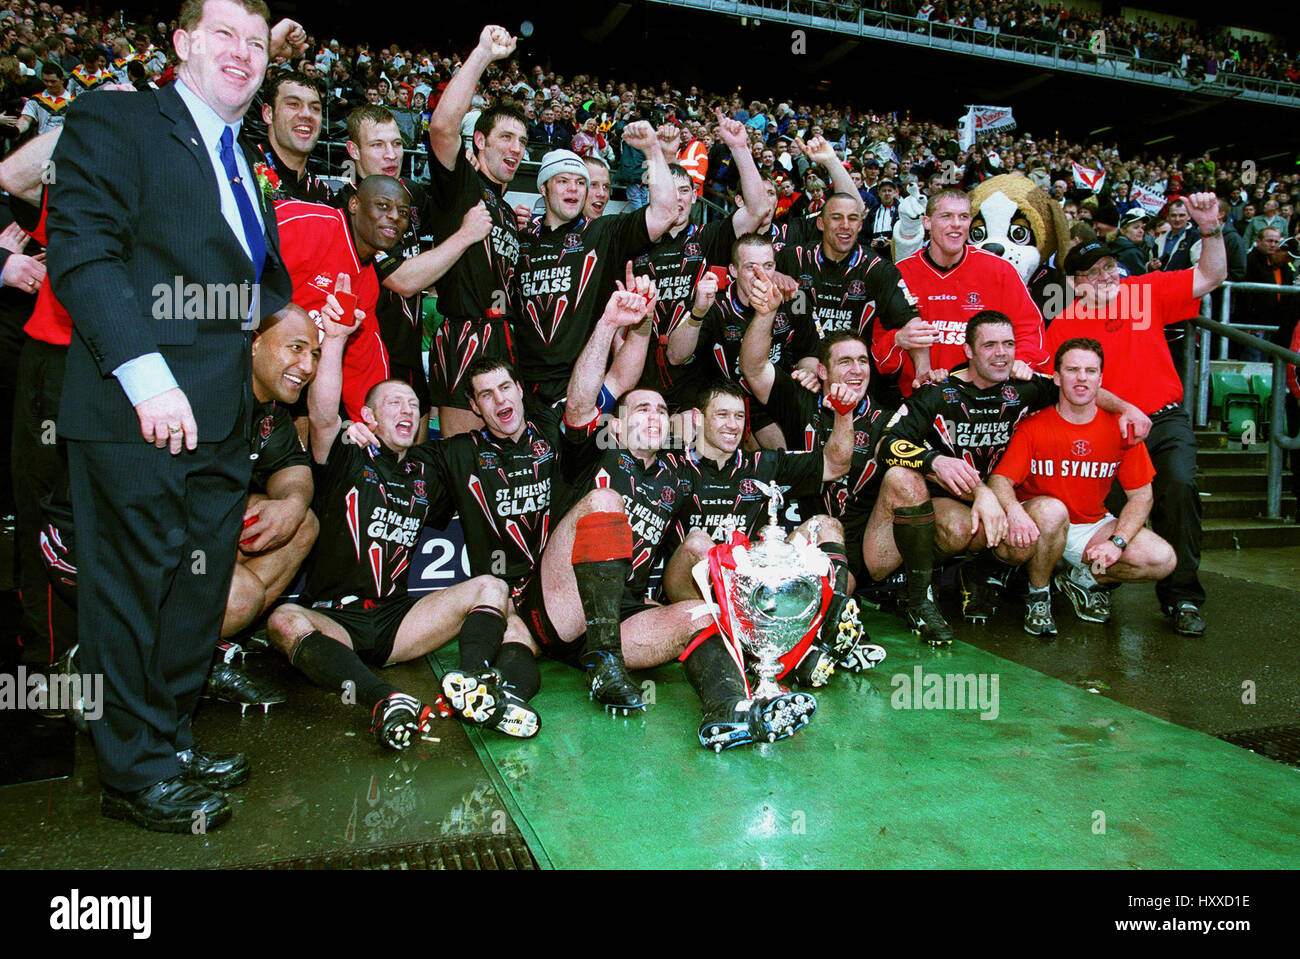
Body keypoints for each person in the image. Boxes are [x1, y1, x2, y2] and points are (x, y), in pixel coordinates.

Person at [45, 0, 305, 833]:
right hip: (137, 410)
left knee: (190, 597)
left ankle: (163, 735)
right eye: (224, 33)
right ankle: (134, 770)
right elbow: (82, 252)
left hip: (224, 420)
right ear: (183, 41)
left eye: (256, 41)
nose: (242, 52)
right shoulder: (114, 118)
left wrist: (296, 323)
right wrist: (147, 377)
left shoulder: (243, 160)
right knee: (131, 592)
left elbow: (242, 285)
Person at [267, 295, 529, 746]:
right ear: (367, 416)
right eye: (393, 404)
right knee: (285, 619)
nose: (407, 411)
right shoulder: (347, 451)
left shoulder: (429, 466)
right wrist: (334, 340)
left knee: (493, 587)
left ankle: (473, 684)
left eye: (413, 405)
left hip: (397, 621)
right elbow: (324, 413)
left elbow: (488, 447)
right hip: (336, 619)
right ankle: (384, 700)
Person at [868, 310, 1149, 645]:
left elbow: (1079, 390)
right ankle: (917, 592)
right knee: (957, 527)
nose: (1001, 352)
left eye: (1008, 344)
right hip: (948, 502)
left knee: (1024, 540)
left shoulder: (1025, 388)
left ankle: (984, 572)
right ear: (969, 351)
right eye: (990, 345)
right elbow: (885, 444)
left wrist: (1126, 409)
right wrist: (934, 460)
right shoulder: (939, 392)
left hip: (1001, 496)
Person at [1045, 192, 1228, 637]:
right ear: (1075, 284)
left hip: (1162, 419)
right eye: (1089, 273)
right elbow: (1063, 383)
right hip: (1105, 425)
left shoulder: (1146, 288)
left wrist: (1211, 227)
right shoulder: (1065, 322)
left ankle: (1182, 597)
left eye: (1108, 266)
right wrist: (1122, 407)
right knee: (1099, 511)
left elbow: (1211, 274)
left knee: (1179, 488)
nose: (1104, 277)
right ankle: (1094, 579)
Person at [989, 338, 1176, 636]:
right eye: (1073, 370)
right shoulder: (1034, 426)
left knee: (1161, 558)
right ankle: (1038, 595)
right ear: (1058, 378)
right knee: (1052, 511)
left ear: (1101, 379)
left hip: (1089, 527)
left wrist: (1117, 543)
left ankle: (1083, 579)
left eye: (1090, 371)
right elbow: (1000, 480)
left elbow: (1142, 496)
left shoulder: (1118, 428)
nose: (1081, 378)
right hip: (1039, 525)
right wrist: (1014, 511)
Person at [513, 127, 673, 404]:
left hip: (580, 389)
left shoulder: (603, 233)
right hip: (521, 390)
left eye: (580, 182)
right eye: (563, 181)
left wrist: (652, 150)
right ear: (543, 188)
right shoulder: (522, 237)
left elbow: (665, 211)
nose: (573, 188)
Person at [632, 107, 770, 414]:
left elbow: (759, 208)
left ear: (696, 196)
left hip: (696, 380)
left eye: (685, 191)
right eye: (671, 190)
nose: (677, 198)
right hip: (639, 373)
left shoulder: (709, 238)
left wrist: (739, 148)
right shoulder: (637, 239)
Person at [426, 25, 528, 438]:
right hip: (466, 337)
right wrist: (483, 54)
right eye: (506, 137)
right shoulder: (463, 186)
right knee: (465, 459)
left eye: (522, 141)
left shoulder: (505, 210)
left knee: (497, 462)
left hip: (503, 338)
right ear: (480, 142)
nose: (516, 149)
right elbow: (441, 129)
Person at [876, 189, 1048, 398]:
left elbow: (1029, 328)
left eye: (964, 217)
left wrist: (1022, 361)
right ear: (927, 222)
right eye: (946, 216)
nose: (956, 224)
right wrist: (899, 339)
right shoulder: (901, 274)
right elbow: (879, 351)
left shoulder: (999, 270)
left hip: (986, 398)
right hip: (921, 401)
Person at [255, 69, 332, 203]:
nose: (306, 114)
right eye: (293, 104)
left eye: (315, 108)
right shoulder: (243, 171)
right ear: (268, 114)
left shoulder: (323, 194)